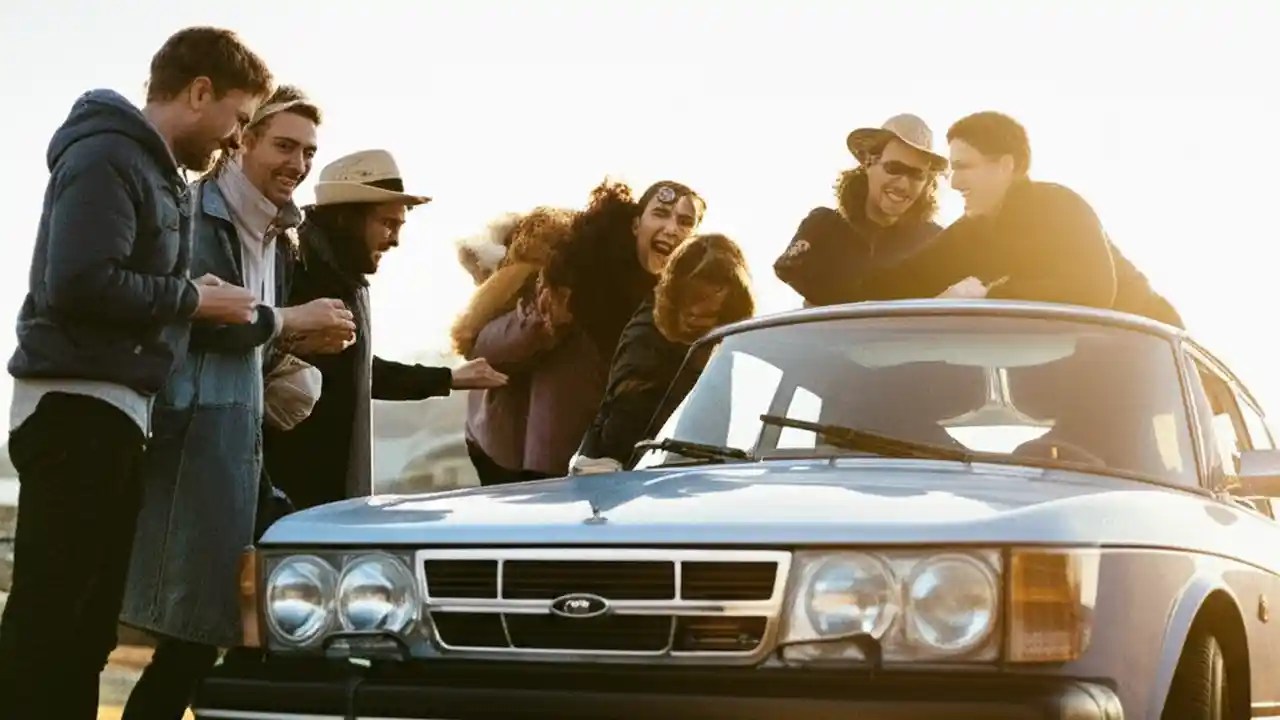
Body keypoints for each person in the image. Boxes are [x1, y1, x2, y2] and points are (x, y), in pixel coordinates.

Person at [0, 27, 273, 720]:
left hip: (110, 414)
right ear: (199, 92)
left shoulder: (147, 169)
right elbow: (80, 281)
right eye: (238, 121)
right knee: (51, 623)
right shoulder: (108, 155)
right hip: (76, 414)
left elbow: (109, 279)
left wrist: (188, 294)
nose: (236, 141)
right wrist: (193, 297)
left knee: (85, 628)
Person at [118, 86, 354, 720]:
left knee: (225, 632)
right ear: (243, 137)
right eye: (283, 145)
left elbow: (252, 334)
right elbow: (191, 314)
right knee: (192, 633)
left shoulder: (282, 237)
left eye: (308, 152)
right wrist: (289, 318)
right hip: (186, 443)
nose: (297, 164)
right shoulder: (193, 212)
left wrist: (297, 344)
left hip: (241, 447)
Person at [263, 149, 507, 509]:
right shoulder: (295, 270)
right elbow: (355, 371)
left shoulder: (343, 277)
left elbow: (357, 368)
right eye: (387, 224)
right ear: (347, 219)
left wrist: (448, 379)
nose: (394, 240)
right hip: (291, 491)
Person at [460, 180, 705, 484]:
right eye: (660, 214)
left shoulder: (689, 306)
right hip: (539, 473)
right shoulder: (574, 275)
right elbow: (483, 350)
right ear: (635, 225)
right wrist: (544, 323)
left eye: (684, 222)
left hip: (630, 470)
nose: (671, 228)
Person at [851, 111, 1124, 311]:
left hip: (1144, 357)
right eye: (953, 170)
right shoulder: (973, 230)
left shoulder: (1061, 208)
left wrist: (988, 295)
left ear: (1005, 166)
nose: (955, 183)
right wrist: (838, 299)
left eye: (964, 167)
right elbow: (908, 280)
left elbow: (1094, 290)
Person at [573, 233, 756, 474]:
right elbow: (621, 426)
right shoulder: (646, 336)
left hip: (685, 472)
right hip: (618, 470)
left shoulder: (723, 342)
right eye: (694, 299)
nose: (699, 311)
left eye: (712, 307)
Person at [774, 114, 948, 306]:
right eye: (894, 168)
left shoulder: (935, 241)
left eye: (917, 174)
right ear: (868, 162)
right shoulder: (822, 227)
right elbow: (787, 269)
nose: (904, 184)